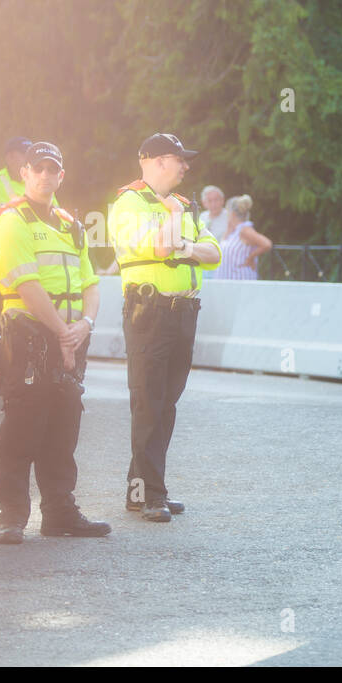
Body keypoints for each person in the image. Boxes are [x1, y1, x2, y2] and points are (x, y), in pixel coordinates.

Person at [0, 142, 111, 543]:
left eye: (52, 169)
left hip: (70, 334)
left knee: (63, 424)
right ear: (23, 173)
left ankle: (59, 512)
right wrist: (63, 332)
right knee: (23, 424)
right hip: (31, 333)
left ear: (62, 175)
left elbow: (92, 284)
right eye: (36, 168)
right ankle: (12, 515)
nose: (44, 175)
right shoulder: (12, 220)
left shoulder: (69, 223)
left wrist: (85, 325)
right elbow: (26, 285)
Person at [109, 133, 221, 522]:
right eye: (179, 159)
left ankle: (138, 490)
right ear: (156, 161)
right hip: (149, 312)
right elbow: (157, 247)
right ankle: (152, 493)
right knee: (148, 404)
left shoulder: (185, 206)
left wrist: (185, 247)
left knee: (165, 404)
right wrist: (174, 226)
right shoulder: (130, 203)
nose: (186, 167)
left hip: (184, 312)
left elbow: (214, 254)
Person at [205, 194, 272, 279]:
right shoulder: (233, 230)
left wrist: (250, 258)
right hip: (227, 282)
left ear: (232, 213)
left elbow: (267, 244)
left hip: (240, 281)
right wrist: (229, 228)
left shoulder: (244, 229)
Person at [0, 136, 32, 231]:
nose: (30, 160)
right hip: (3, 242)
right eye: (25, 155)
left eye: (31, 156)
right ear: (9, 158)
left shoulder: (37, 180)